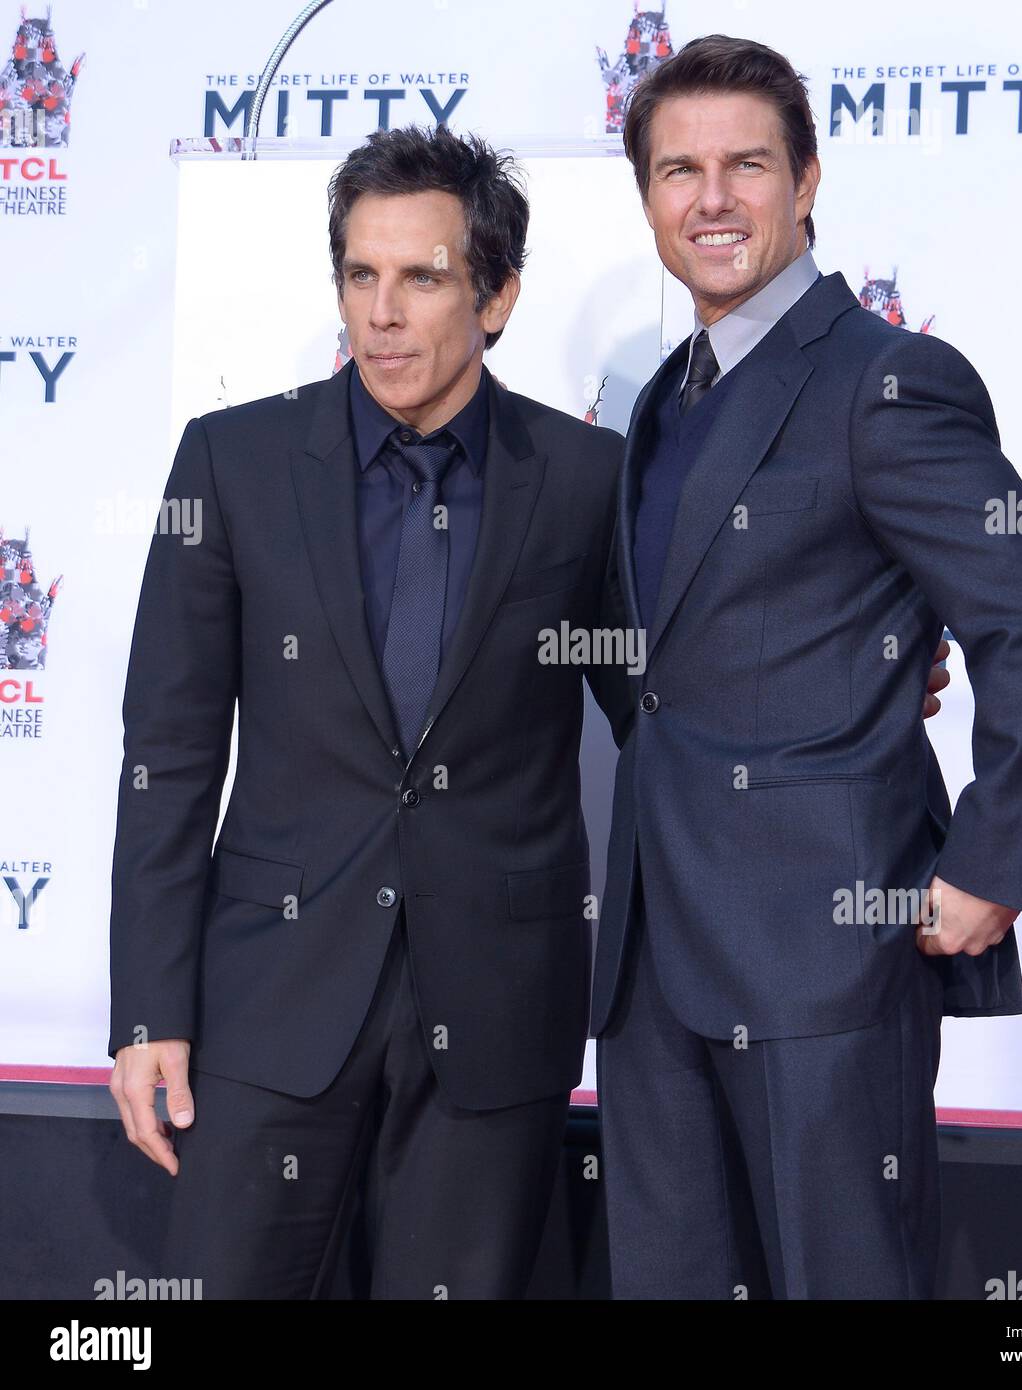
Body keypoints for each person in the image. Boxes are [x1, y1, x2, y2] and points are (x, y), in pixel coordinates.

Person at [590, 35, 1022, 1299]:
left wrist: (993, 859)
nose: (711, 198)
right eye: (678, 170)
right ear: (647, 196)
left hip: (823, 944)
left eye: (745, 165)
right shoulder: (662, 396)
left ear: (807, 179)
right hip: (653, 951)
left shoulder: (885, 379)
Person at [106, 124, 635, 1299]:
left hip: (495, 1015)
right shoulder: (231, 464)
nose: (382, 312)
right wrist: (148, 1007)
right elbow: (170, 753)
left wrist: (860, 676)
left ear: (496, 296)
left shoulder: (588, 480)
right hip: (268, 1004)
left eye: (423, 277)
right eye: (361, 273)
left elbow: (664, 706)